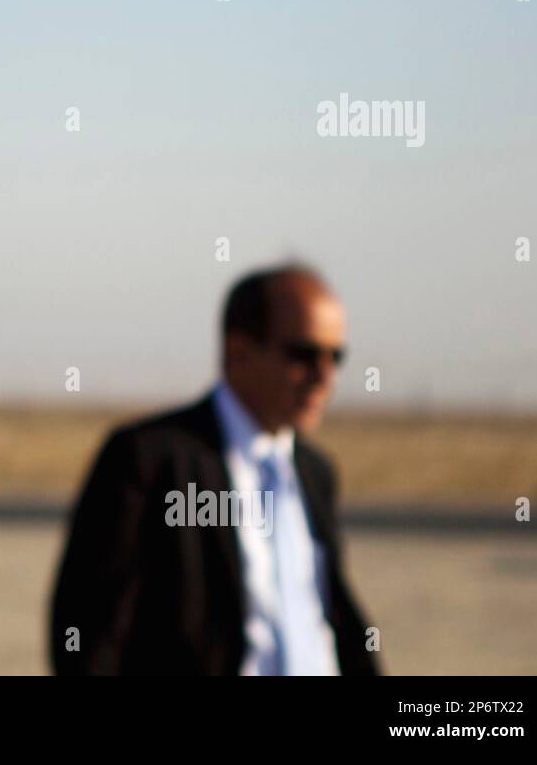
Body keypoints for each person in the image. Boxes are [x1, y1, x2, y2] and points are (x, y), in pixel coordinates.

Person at [51, 264, 379, 675]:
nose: (324, 377)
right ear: (238, 351)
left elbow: (329, 612)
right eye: (304, 354)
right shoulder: (150, 460)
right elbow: (90, 633)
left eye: (336, 356)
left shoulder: (314, 472)